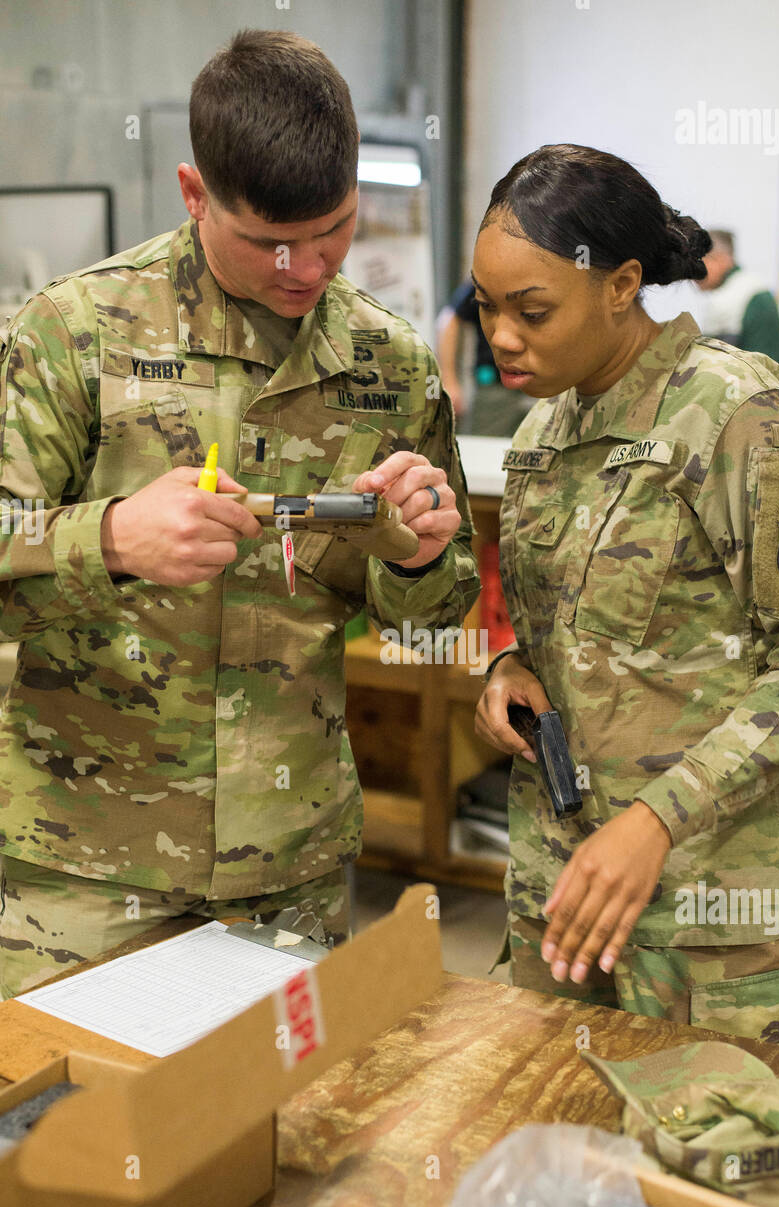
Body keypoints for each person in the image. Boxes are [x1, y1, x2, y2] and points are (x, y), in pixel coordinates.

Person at [0, 29, 478, 1000]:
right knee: (62, 1140)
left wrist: (419, 558)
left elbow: (435, 623)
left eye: (334, 229)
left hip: (285, 867)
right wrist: (112, 539)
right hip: (86, 860)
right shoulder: (73, 332)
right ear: (192, 193)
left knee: (277, 1136)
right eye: (268, 241)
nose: (305, 268)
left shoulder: (386, 363)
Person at [473, 144, 779, 1053]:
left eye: (532, 310)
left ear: (621, 286)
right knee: (551, 1155)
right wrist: (505, 668)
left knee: (715, 1173)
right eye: (488, 305)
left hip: (715, 918)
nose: (501, 335)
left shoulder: (736, 415)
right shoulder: (545, 430)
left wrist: (659, 815)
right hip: (565, 895)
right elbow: (560, 633)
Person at [437, 280, 533, 435]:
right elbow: (448, 319)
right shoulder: (487, 280)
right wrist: (449, 381)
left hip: (542, 387)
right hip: (495, 387)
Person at [696, 229, 779, 370]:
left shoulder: (725, 300)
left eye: (698, 261)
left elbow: (710, 366)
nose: (693, 273)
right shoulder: (756, 286)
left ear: (721, 259)